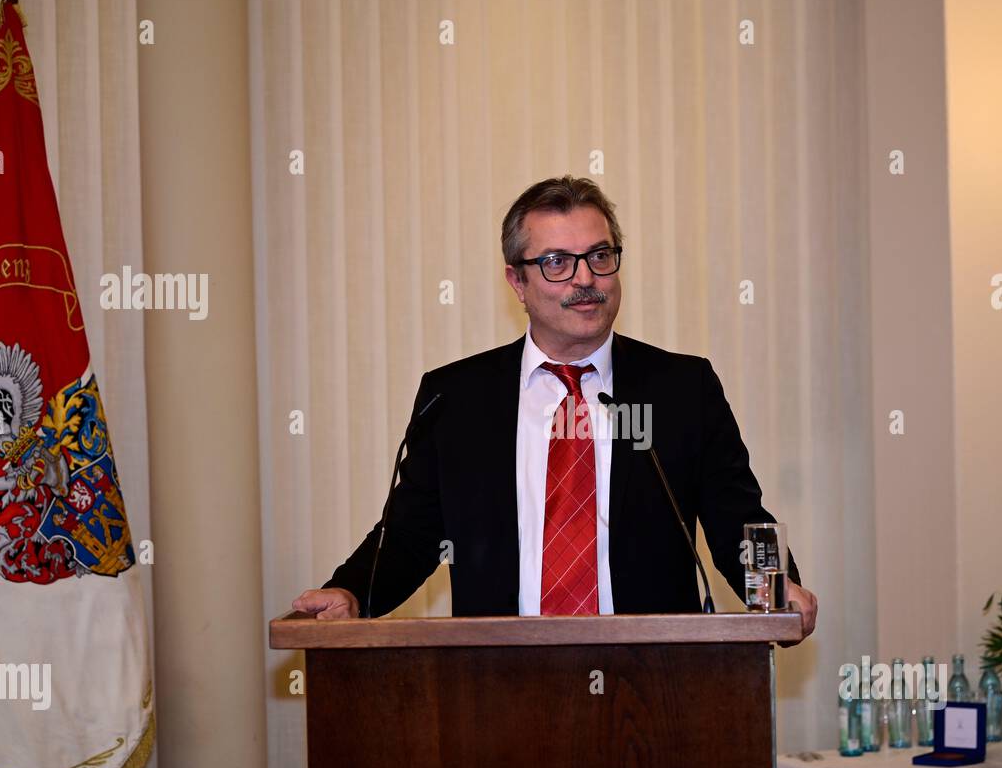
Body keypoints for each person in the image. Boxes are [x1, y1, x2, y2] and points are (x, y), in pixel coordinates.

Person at [293, 175, 817, 638]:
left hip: (654, 682)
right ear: (516, 282)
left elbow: (735, 518)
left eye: (600, 256)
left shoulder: (682, 387)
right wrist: (352, 593)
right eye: (557, 263)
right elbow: (411, 533)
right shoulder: (456, 397)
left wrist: (778, 589)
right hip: (498, 681)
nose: (585, 279)